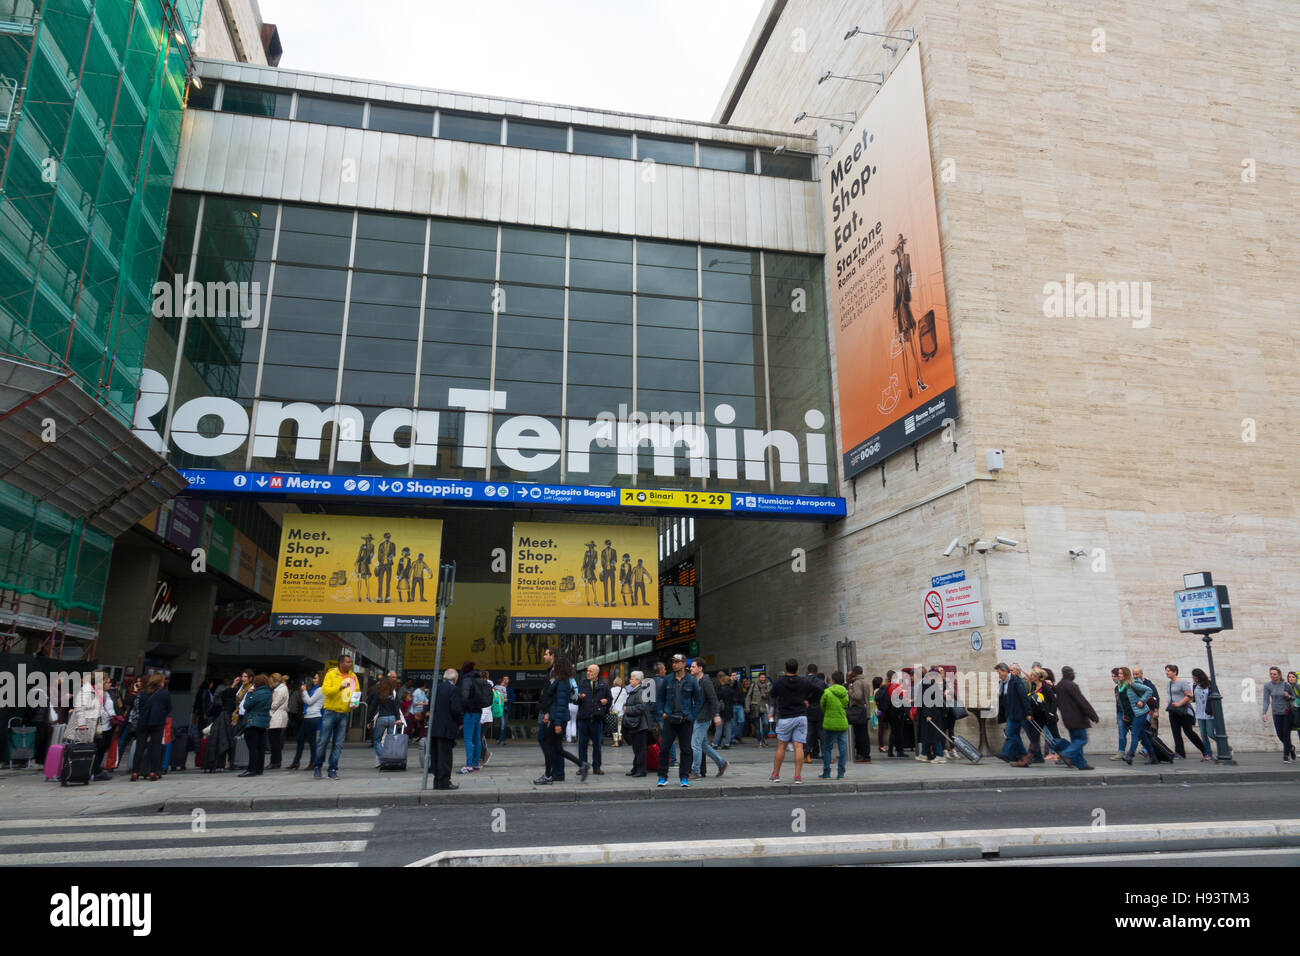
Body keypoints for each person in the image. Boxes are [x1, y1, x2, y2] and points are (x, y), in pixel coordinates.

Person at [536, 652, 585, 784]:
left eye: (555, 665)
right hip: (555, 717)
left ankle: (548, 776)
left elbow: (561, 704)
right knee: (557, 748)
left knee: (548, 745)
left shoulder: (563, 683)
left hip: (557, 719)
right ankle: (582, 764)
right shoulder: (559, 680)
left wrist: (557, 723)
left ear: (560, 667)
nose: (553, 667)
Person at [657, 653, 701, 788]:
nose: (674, 664)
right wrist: (662, 713)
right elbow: (660, 698)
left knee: (686, 749)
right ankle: (662, 777)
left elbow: (699, 700)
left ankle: (684, 777)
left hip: (685, 719)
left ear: (683, 664)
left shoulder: (691, 681)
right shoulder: (668, 679)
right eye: (673, 662)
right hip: (669, 719)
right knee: (664, 748)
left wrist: (692, 716)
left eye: (676, 662)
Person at [316, 654, 359, 780]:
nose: (350, 664)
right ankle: (318, 765)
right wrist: (339, 687)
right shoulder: (331, 674)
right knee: (323, 741)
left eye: (351, 662)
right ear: (340, 663)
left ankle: (332, 769)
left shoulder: (353, 676)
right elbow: (325, 691)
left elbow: (356, 692)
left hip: (344, 713)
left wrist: (354, 703)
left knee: (338, 743)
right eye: (347, 662)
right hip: (330, 712)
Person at [769, 659, 810, 783]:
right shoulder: (803, 681)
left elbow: (772, 694)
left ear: (785, 668)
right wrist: (807, 700)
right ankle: (797, 776)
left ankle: (776, 775)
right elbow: (819, 690)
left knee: (781, 746)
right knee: (799, 746)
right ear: (797, 668)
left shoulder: (779, 682)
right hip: (801, 716)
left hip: (785, 717)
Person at [1055, 666, 1099, 770]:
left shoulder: (1060, 686)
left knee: (1076, 741)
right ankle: (1066, 753)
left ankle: (1081, 764)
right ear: (1070, 674)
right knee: (1082, 740)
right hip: (1077, 718)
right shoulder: (1071, 685)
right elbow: (1081, 701)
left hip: (1067, 719)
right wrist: (1093, 715)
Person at [689, 659, 727, 779]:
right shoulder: (696, 681)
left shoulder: (706, 681)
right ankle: (721, 763)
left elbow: (713, 699)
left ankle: (695, 771)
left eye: (693, 667)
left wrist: (716, 715)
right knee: (703, 745)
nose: (691, 668)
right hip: (697, 716)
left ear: (700, 668)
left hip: (703, 717)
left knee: (695, 744)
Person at [1163, 664, 1208, 759]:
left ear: (1175, 672)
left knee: (1189, 732)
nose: (1167, 673)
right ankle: (1180, 753)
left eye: (1168, 671)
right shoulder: (1169, 683)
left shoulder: (1182, 682)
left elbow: (1189, 696)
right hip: (1173, 711)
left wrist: (1179, 703)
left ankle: (1204, 751)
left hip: (1184, 711)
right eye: (1166, 671)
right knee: (1176, 733)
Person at [132, 673, 171, 781]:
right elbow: (169, 708)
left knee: (140, 746)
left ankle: (135, 771)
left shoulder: (143, 693)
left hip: (143, 722)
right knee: (155, 747)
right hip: (157, 723)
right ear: (160, 682)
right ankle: (153, 771)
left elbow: (139, 707)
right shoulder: (165, 694)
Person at [429, 669, 463, 790]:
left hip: (435, 726)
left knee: (436, 754)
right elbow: (455, 709)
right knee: (445, 756)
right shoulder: (453, 689)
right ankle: (444, 782)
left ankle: (437, 781)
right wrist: (460, 722)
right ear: (455, 679)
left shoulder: (435, 688)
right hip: (447, 726)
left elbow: (430, 706)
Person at [1115, 666, 1156, 765]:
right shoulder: (1120, 687)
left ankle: (1130, 755)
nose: (1119, 675)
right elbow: (1123, 702)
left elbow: (1149, 690)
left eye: (1121, 673)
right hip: (1130, 715)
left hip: (1140, 713)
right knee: (1143, 737)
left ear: (1125, 675)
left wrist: (1142, 701)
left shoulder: (1132, 684)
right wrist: (1125, 714)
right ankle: (1153, 757)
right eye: (1118, 673)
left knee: (1135, 734)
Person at [576, 664, 610, 774]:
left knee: (597, 745)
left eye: (590, 671)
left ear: (596, 673)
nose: (588, 673)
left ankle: (597, 767)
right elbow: (576, 700)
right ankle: (583, 767)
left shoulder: (603, 685)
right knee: (582, 745)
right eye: (587, 671)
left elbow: (609, 699)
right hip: (583, 718)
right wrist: (579, 697)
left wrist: (606, 702)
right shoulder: (582, 683)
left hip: (596, 719)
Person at [995, 663, 1030, 765]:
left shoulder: (1015, 681)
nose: (999, 675)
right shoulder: (1002, 683)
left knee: (1010, 733)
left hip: (1017, 712)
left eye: (999, 672)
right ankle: (1023, 757)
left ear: (1005, 671)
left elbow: (1024, 697)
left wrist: (1028, 712)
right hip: (1009, 712)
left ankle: (1006, 753)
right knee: (1015, 735)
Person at [620, 671, 654, 776]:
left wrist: (627, 709)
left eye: (632, 678)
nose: (630, 680)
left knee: (640, 748)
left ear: (638, 680)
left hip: (640, 724)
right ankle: (636, 768)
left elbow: (641, 707)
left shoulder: (641, 691)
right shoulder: (635, 691)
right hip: (635, 724)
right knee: (637, 748)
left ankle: (641, 770)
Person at [1260, 666, 1296, 762]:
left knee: (1286, 734)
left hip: (1286, 712)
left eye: (1274, 674)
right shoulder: (1267, 686)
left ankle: (1285, 756)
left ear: (1279, 675)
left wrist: (1288, 696)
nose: (1272, 676)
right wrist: (1264, 712)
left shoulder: (1286, 685)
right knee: (1280, 734)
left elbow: (1293, 697)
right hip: (1276, 712)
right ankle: (1291, 748)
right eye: (1271, 674)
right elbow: (1266, 700)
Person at [239, 674, 272, 777]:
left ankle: (251, 769)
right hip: (263, 722)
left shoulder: (256, 693)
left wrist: (248, 694)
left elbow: (246, 705)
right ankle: (259, 769)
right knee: (260, 747)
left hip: (252, 721)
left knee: (252, 747)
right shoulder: (269, 693)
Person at [288, 672, 323, 770]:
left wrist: (304, 691)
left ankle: (313, 763)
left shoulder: (320, 690)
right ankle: (296, 762)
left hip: (313, 717)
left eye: (316, 678)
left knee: (312, 741)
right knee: (300, 739)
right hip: (308, 716)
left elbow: (309, 701)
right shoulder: (314, 689)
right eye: (314, 678)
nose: (314, 680)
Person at [820, 671, 850, 779]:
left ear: (833, 680)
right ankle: (841, 772)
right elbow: (846, 704)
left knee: (827, 748)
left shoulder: (827, 692)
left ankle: (826, 772)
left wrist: (828, 712)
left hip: (830, 723)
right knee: (842, 748)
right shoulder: (845, 693)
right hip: (842, 722)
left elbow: (822, 705)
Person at [457, 661, 485, 773]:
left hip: (469, 712)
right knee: (477, 739)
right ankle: (476, 764)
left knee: (468, 739)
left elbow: (464, 696)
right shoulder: (479, 680)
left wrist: (462, 710)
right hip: (478, 711)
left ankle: (468, 765)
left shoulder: (466, 680)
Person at [370, 674, 403, 768]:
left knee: (377, 740)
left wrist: (370, 720)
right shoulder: (393, 694)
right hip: (392, 719)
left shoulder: (379, 693)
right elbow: (397, 708)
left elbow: (373, 707)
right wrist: (398, 719)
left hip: (382, 718)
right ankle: (389, 759)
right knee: (390, 740)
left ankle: (382, 758)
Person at [917, 667, 947, 763]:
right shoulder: (932, 683)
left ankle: (940, 755)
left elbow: (927, 700)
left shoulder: (928, 683)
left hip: (931, 713)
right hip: (933, 712)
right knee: (928, 734)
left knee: (935, 734)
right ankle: (924, 754)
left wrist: (928, 714)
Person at [845, 666, 872, 763]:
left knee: (860, 735)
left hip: (858, 711)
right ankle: (866, 755)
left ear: (855, 672)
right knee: (864, 734)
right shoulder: (865, 682)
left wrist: (850, 691)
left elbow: (858, 696)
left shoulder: (856, 683)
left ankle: (863, 755)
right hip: (865, 711)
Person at [1190, 668, 1215, 761]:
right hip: (1199, 713)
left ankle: (1225, 746)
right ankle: (1208, 754)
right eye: (1193, 677)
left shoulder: (1209, 684)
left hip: (1209, 713)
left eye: (1195, 677)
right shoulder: (1194, 685)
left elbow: (1215, 697)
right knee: (1203, 735)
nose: (1194, 679)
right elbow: (1195, 699)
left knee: (1211, 733)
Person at [803, 664, 826, 761]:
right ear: (816, 671)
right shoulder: (821, 682)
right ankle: (825, 755)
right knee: (822, 733)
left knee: (808, 733)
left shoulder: (803, 681)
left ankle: (807, 755)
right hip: (820, 709)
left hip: (807, 709)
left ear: (807, 670)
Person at [267, 673, 289, 770]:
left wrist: (266, 706)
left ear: (275, 681)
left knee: (274, 741)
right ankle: (276, 761)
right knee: (275, 741)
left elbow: (274, 704)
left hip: (276, 716)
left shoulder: (280, 690)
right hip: (278, 716)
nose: (270, 685)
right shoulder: (282, 688)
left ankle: (275, 762)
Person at [746, 672, 771, 746]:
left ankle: (765, 738)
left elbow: (771, 696)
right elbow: (748, 696)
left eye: (764, 677)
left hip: (764, 707)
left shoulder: (768, 685)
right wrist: (747, 707)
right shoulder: (753, 685)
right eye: (761, 677)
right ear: (759, 678)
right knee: (757, 726)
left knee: (766, 724)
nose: (763, 679)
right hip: (755, 707)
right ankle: (759, 740)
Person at [714, 672, 734, 749]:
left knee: (719, 728)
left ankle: (715, 743)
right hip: (729, 710)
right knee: (728, 728)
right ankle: (727, 744)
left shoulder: (721, 689)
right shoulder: (731, 689)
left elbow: (716, 699)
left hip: (722, 710)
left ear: (723, 681)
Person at [609, 676, 627, 746]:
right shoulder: (624, 690)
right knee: (619, 725)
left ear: (614, 682)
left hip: (614, 710)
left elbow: (610, 700)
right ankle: (620, 737)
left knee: (614, 726)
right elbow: (625, 701)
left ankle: (616, 742)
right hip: (621, 710)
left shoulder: (612, 690)